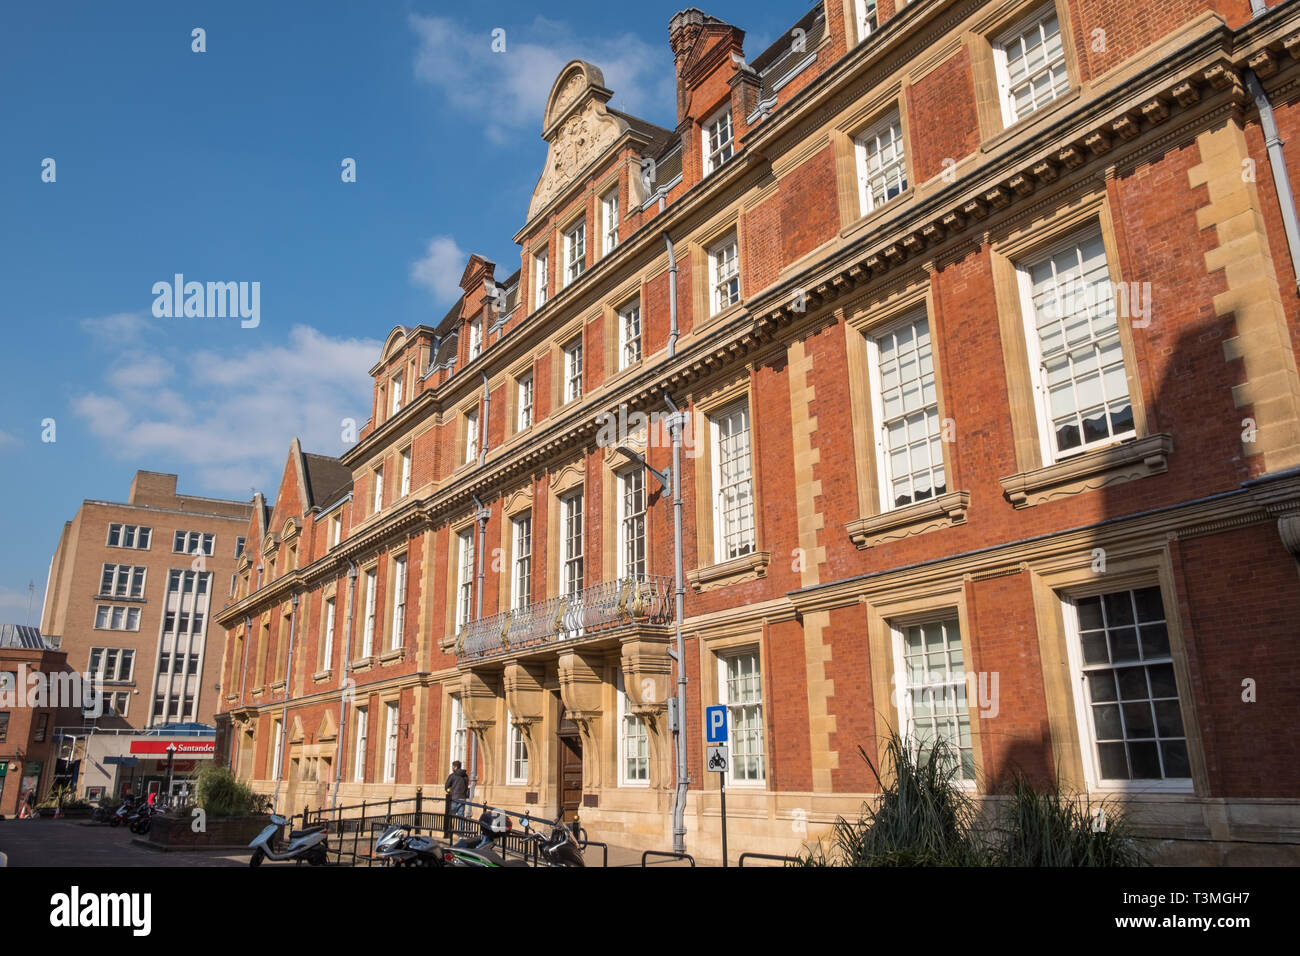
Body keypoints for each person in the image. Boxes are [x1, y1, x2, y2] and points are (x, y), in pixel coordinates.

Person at [445, 760, 469, 835]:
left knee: (450, 814)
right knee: (461, 816)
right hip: (463, 798)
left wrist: (450, 790)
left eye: (453, 766)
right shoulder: (465, 776)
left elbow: (446, 786)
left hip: (454, 798)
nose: (452, 768)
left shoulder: (452, 775)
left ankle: (449, 831)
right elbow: (466, 786)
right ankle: (460, 833)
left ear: (455, 767)